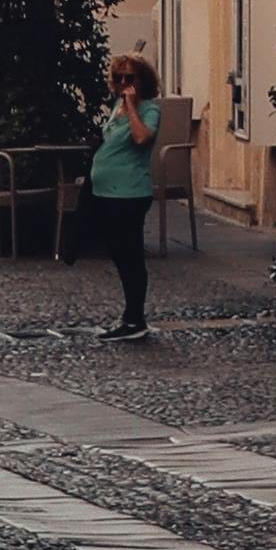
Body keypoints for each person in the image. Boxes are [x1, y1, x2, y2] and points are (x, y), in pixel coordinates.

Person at [80, 53, 164, 340]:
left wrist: (131, 105)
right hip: (106, 191)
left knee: (130, 254)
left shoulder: (149, 109)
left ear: (143, 81)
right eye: (119, 78)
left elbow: (141, 138)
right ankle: (130, 316)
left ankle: (135, 319)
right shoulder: (115, 106)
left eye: (131, 78)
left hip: (129, 193)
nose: (124, 84)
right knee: (118, 253)